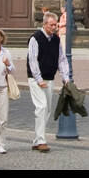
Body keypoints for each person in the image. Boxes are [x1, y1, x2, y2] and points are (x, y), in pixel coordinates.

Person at [26, 10, 70, 152]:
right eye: (51, 25)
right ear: (44, 24)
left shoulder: (56, 39)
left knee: (47, 110)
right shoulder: (35, 38)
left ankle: (36, 139)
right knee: (41, 107)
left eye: (55, 25)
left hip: (49, 78)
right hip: (35, 78)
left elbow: (61, 59)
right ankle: (41, 141)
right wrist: (38, 79)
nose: (54, 27)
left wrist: (66, 77)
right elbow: (32, 60)